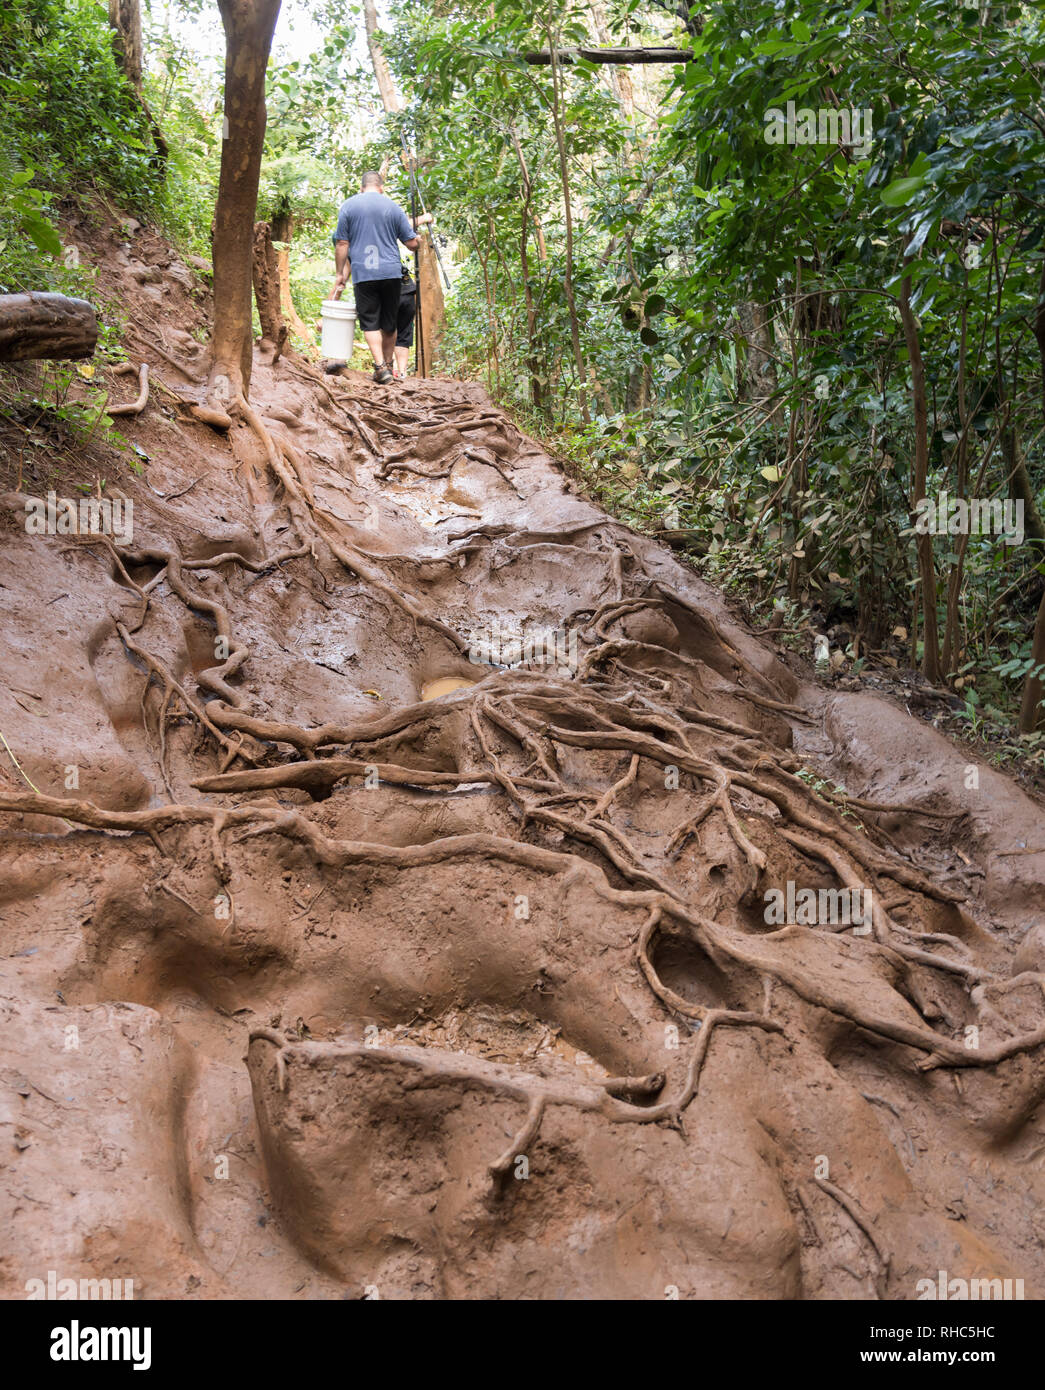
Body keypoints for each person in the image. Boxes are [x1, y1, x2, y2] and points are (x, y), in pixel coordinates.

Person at [330, 171, 419, 384]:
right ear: (381, 187)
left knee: (370, 322)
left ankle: (380, 367)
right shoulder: (393, 207)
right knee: (390, 324)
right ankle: (388, 366)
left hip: (364, 274)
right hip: (391, 273)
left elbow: (342, 243)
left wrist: (340, 273)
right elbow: (411, 244)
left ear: (362, 188)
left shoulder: (349, 207)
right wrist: (419, 241)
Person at [393, 262, 416, 380]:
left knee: (385, 330)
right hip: (408, 293)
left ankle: (386, 368)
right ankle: (401, 372)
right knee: (404, 333)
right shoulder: (394, 257)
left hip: (391, 294)